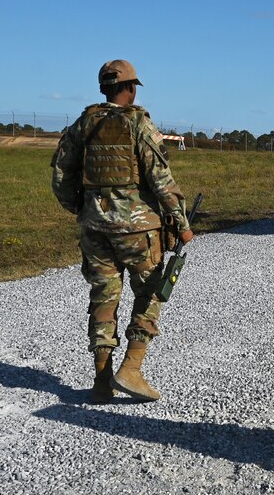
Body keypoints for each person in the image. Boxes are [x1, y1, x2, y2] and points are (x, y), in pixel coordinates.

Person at [51, 59, 193, 404]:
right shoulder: (139, 123)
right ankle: (131, 368)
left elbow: (60, 176)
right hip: (138, 232)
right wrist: (182, 224)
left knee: (103, 299)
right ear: (130, 88)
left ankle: (102, 382)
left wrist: (83, 209)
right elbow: (160, 180)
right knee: (151, 294)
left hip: (94, 229)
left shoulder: (83, 123)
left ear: (103, 89)